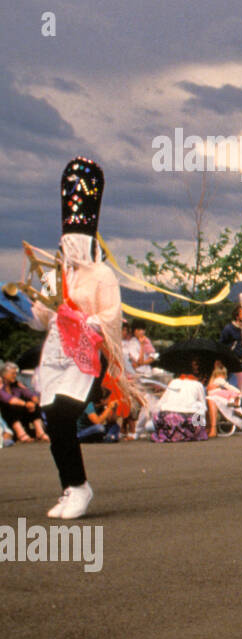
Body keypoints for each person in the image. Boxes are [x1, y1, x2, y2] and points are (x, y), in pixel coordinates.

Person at [29, 158, 133, 520]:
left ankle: (79, 487)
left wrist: (83, 319)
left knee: (61, 414)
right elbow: (41, 319)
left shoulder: (102, 274)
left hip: (86, 355)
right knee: (54, 419)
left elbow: (112, 316)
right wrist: (44, 304)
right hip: (57, 354)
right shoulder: (58, 274)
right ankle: (71, 487)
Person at [152, 358, 209, 442]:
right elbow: (203, 407)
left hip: (167, 421)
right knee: (199, 405)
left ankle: (167, 433)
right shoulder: (198, 385)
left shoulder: (173, 382)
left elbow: (160, 404)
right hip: (187, 421)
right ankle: (198, 433)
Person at [1, 361, 48, 442]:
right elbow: (9, 399)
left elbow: (28, 394)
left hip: (21, 412)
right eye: (13, 373)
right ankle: (20, 433)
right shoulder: (1, 386)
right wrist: (26, 404)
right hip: (7, 415)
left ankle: (39, 431)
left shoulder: (16, 385)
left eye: (16, 373)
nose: (15, 376)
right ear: (4, 374)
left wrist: (34, 400)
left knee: (32, 404)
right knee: (10, 407)